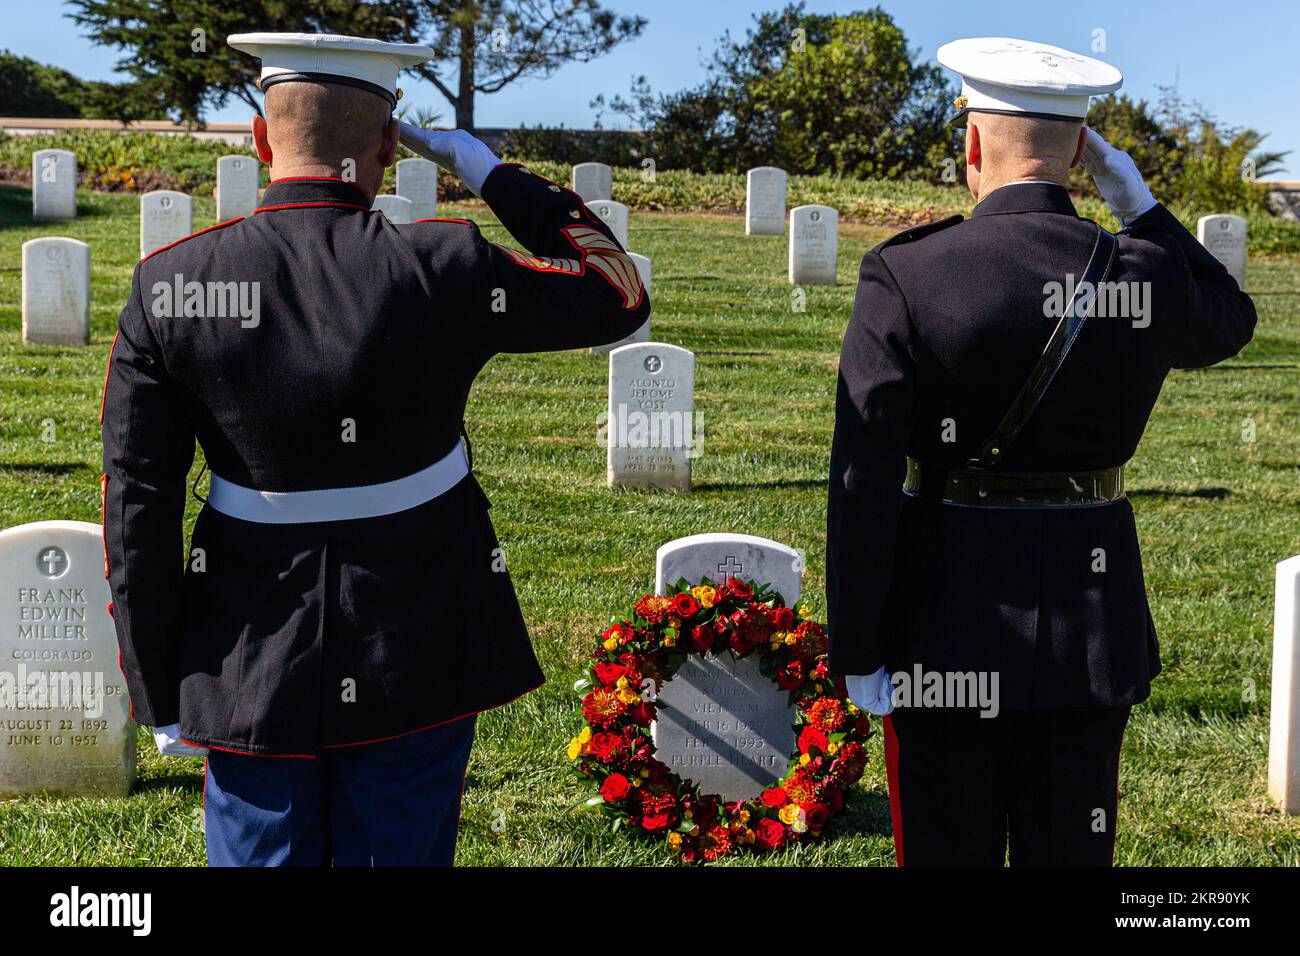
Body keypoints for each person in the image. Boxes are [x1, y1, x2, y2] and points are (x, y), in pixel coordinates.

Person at [100, 32, 648, 866]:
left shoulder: (173, 283)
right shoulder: (443, 263)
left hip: (247, 656)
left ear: (260, 138)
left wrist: (157, 685)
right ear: (389, 148)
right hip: (417, 646)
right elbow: (620, 294)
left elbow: (137, 500)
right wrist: (490, 172)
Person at [828, 37, 1257, 866]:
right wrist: (1142, 209)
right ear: (1082, 154)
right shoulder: (1139, 272)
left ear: (972, 144)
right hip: (1089, 622)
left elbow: (863, 477)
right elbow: (1231, 319)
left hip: (943, 618)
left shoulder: (908, 272)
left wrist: (858, 648)